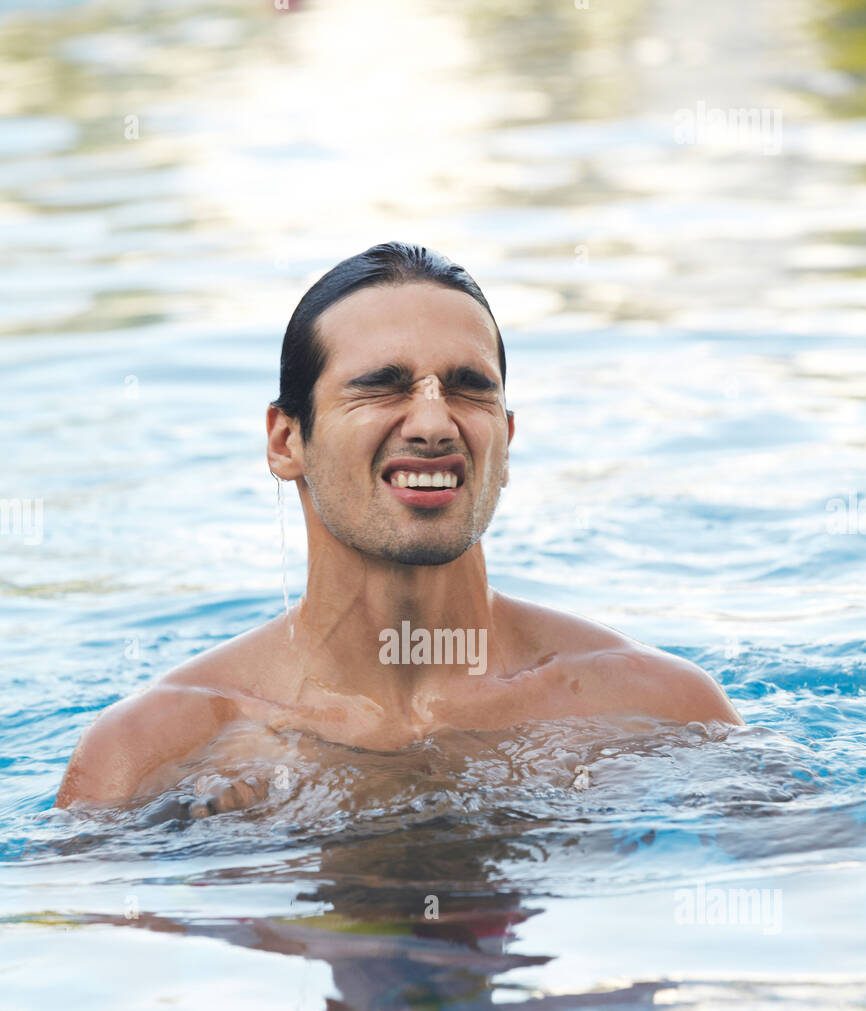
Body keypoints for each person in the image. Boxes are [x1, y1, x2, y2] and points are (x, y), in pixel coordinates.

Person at [56, 241, 742, 814]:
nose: (435, 422)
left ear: (503, 440)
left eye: (469, 387)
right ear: (286, 440)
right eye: (383, 386)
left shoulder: (657, 708)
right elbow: (89, 958)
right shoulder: (149, 753)